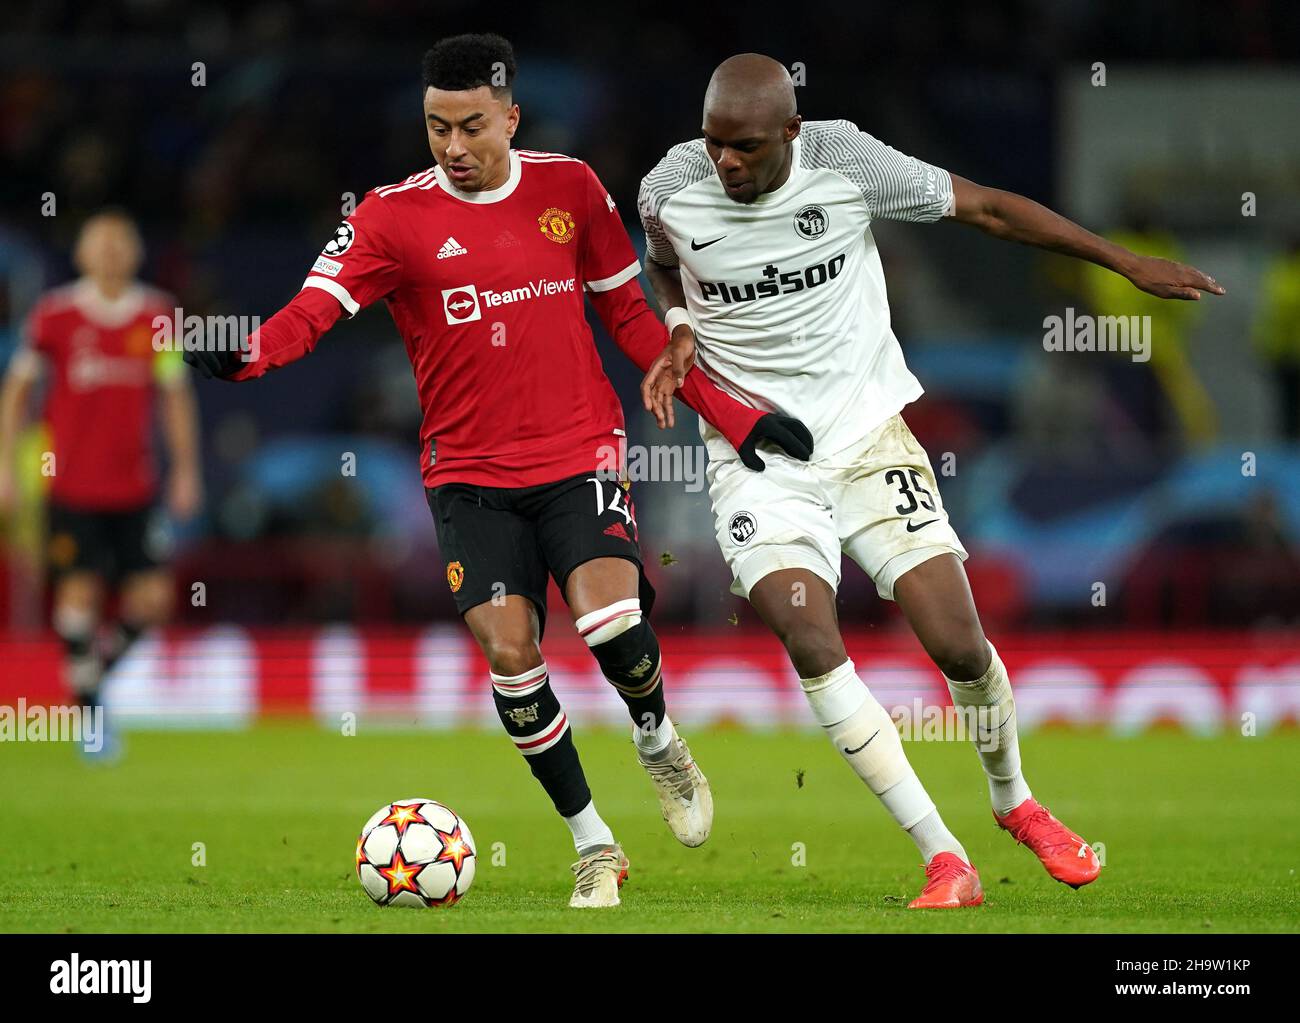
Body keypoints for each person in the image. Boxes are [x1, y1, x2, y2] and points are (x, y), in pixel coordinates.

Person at [184, 34, 811, 909]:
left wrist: (737, 414)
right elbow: (312, 310)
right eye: (437, 127)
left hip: (578, 450)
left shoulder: (571, 189)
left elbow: (632, 319)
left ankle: (658, 735)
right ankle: (594, 842)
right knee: (512, 655)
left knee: (611, 627)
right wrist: (247, 354)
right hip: (467, 476)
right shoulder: (387, 218)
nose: (453, 147)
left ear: (510, 117)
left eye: (472, 126)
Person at [638, 53, 1224, 908]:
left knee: (956, 642)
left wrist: (1122, 261)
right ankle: (944, 856)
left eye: (746, 148)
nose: (724, 162)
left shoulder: (845, 159)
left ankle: (1013, 800)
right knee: (810, 635)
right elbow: (661, 263)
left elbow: (985, 207)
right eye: (715, 142)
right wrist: (682, 322)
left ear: (792, 135)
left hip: (869, 436)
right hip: (756, 455)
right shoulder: (669, 187)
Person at [0, 209, 202, 757]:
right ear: (82, 254)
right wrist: (4, 467)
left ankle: (88, 676)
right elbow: (17, 391)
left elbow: (174, 396)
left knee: (154, 600)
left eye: (121, 241)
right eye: (101, 242)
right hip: (70, 486)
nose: (111, 251)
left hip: (135, 488)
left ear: (135, 252)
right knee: (80, 593)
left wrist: (185, 469)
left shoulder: (157, 315)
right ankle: (92, 718)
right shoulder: (55, 315)